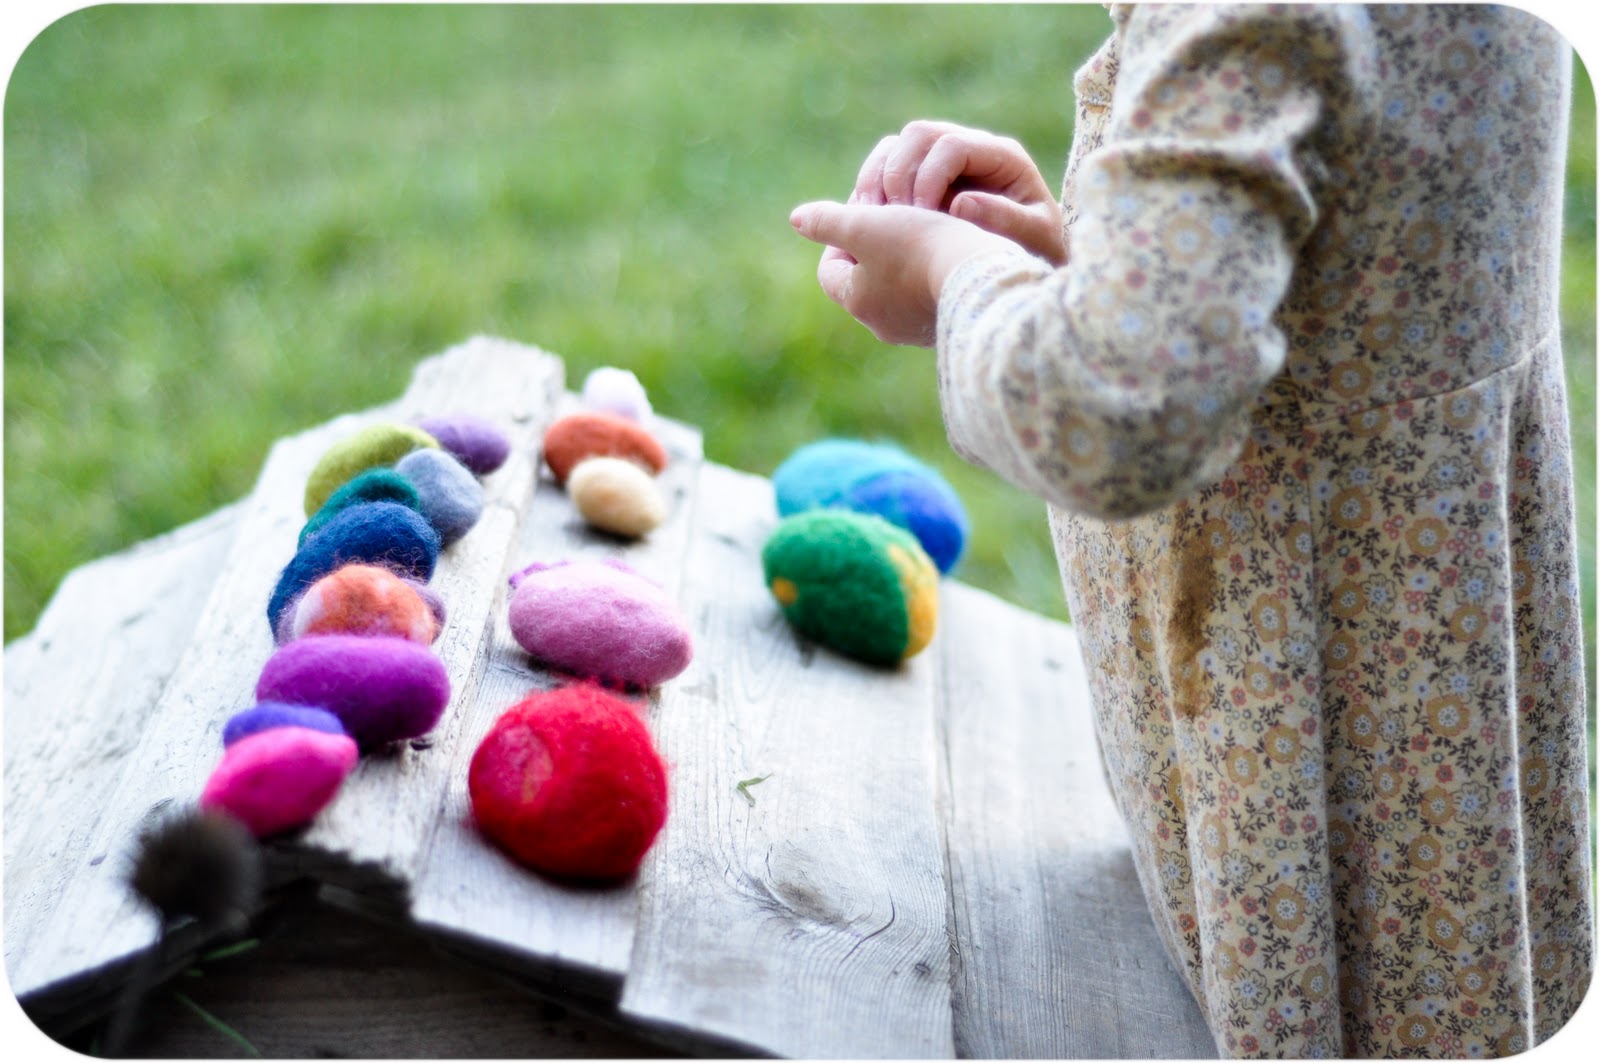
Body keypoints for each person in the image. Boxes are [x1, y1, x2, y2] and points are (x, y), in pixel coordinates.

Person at [791, 4, 1592, 1057]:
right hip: (1431, 723)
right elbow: (1350, 275)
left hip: (1314, 787)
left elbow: (1113, 414)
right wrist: (1086, 264)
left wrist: (957, 277)